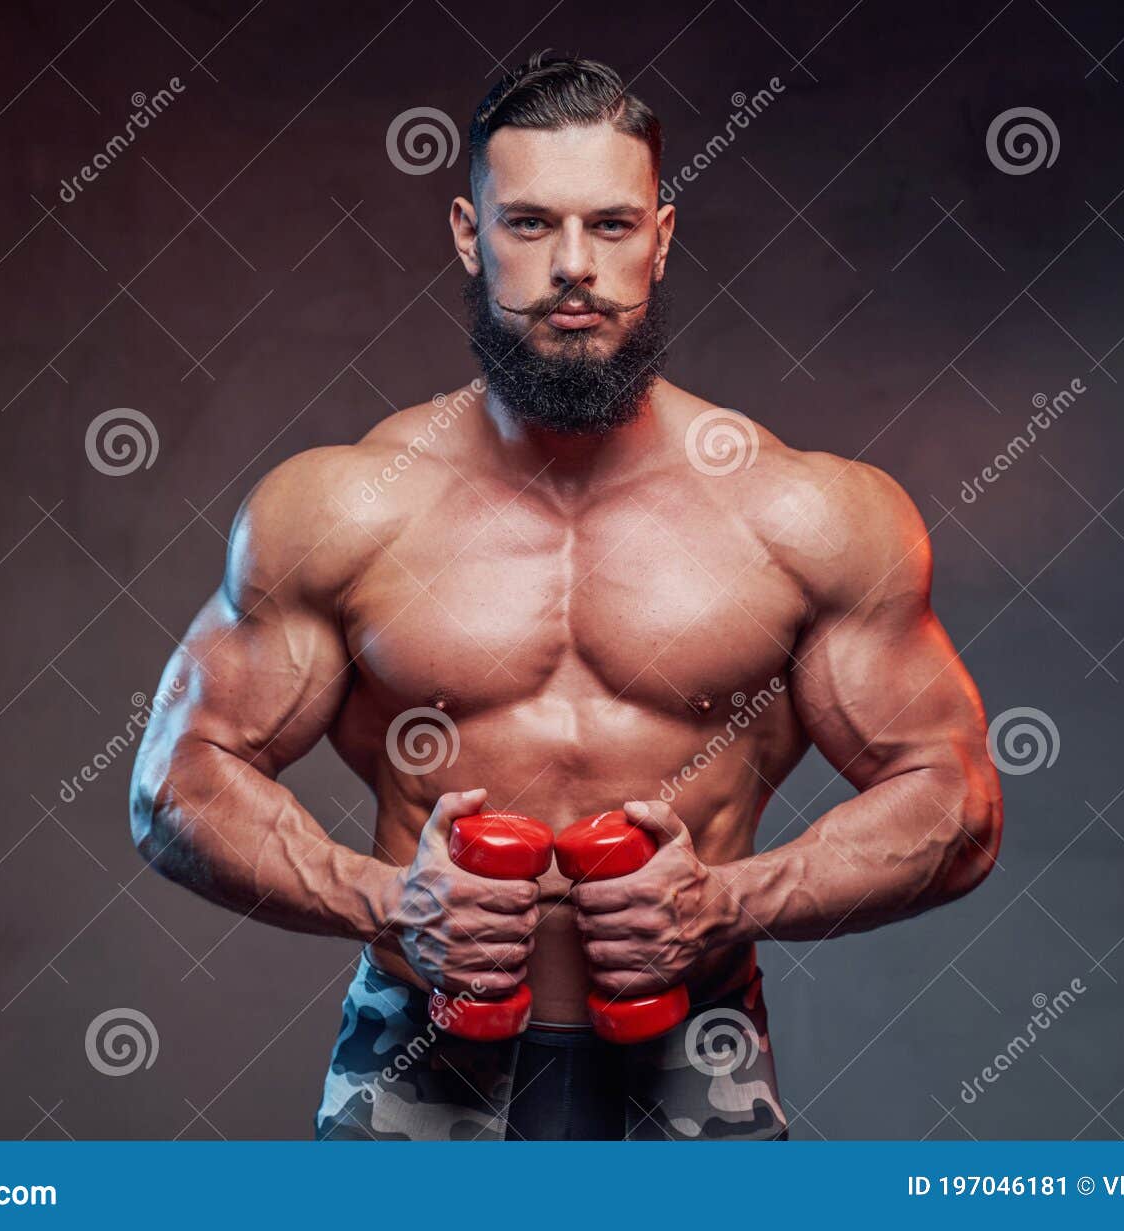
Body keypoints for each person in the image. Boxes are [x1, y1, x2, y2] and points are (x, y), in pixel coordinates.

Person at [130, 51, 1002, 1140]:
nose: (573, 266)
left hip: (694, 1049)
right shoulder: (343, 509)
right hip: (420, 1041)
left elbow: (957, 805)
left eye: (612, 225)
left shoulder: (806, 516)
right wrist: (387, 901)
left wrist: (727, 901)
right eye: (531, 223)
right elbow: (174, 781)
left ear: (662, 238)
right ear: (467, 232)